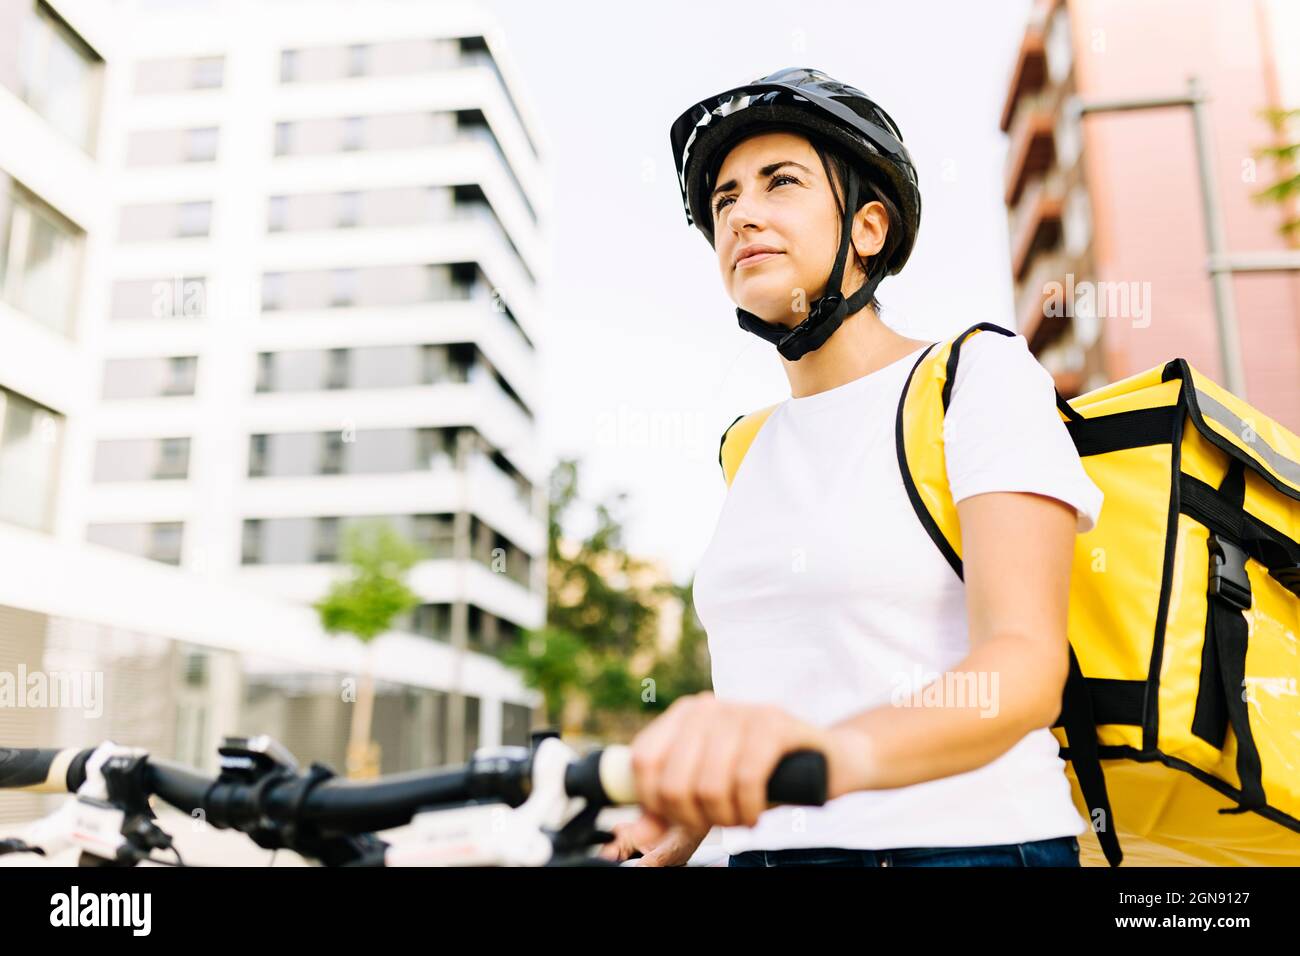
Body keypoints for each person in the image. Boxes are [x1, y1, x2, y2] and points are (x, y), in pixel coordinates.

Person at [599, 68, 1101, 867]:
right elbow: (776, 689)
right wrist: (687, 819)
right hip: (769, 856)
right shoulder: (747, 445)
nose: (742, 215)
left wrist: (823, 760)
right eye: (724, 201)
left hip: (963, 849)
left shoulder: (975, 377)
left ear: (869, 229)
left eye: (780, 183)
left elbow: (1024, 665)